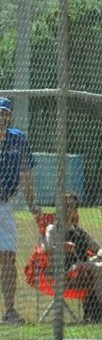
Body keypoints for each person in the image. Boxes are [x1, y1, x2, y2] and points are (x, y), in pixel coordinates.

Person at [47, 191, 102, 322]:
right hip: (68, 273)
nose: (69, 209)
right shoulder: (52, 229)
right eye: (66, 206)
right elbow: (48, 248)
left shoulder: (79, 232)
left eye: (72, 207)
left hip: (87, 268)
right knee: (97, 269)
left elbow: (101, 250)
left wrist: (96, 258)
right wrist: (62, 246)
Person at [0, 97, 39, 326]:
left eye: (5, 113)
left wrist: (32, 203)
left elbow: (26, 175)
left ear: (9, 115)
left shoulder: (19, 140)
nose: (1, 117)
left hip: (5, 206)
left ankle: (10, 311)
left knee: (8, 257)